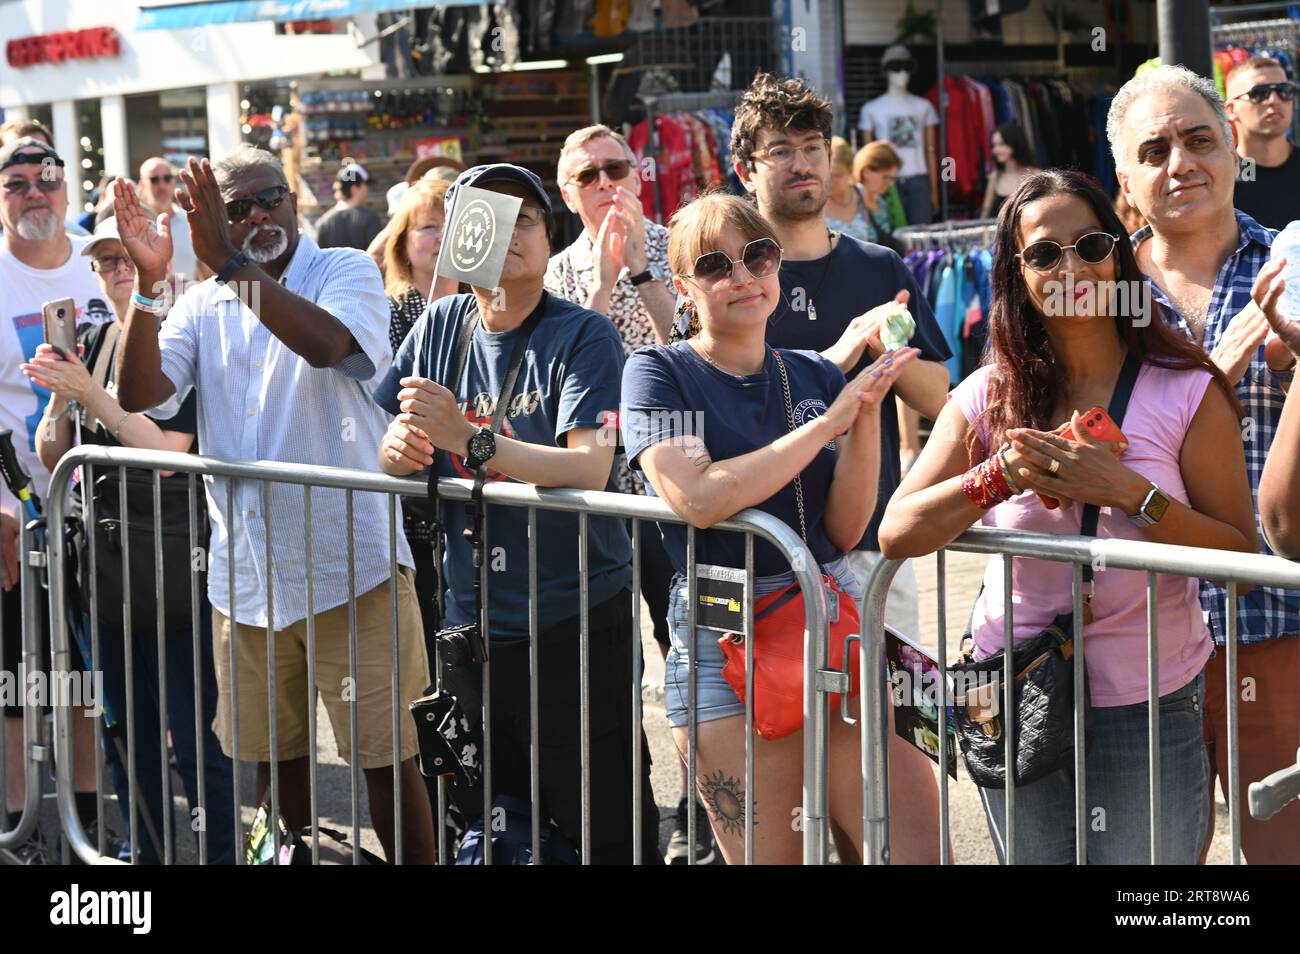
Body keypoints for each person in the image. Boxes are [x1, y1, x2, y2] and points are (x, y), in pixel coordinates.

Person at [880, 168, 1258, 863]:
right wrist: (998, 476)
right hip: (1012, 686)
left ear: (1117, 252)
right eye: (1044, 253)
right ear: (1016, 273)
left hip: (1148, 698)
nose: (1071, 267)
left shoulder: (1187, 391)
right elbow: (897, 532)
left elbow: (1241, 558)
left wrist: (1129, 493)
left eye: (1088, 245)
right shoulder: (989, 396)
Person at [112, 144, 435, 864]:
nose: (259, 215)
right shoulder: (199, 304)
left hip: (356, 572)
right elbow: (142, 395)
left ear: (294, 200)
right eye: (238, 208)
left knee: (386, 764)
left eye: (270, 198)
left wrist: (228, 264)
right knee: (273, 770)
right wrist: (147, 284)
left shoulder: (345, 270)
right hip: (247, 584)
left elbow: (329, 346)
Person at [622, 190, 919, 863]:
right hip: (721, 633)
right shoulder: (657, 373)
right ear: (682, 287)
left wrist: (866, 414)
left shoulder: (811, 370)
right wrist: (828, 425)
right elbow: (695, 500)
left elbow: (842, 530)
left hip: (827, 619)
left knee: (899, 846)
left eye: (757, 256)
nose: (742, 276)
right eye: (715, 265)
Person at [374, 162, 659, 864]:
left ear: (549, 233)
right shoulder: (440, 323)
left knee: (602, 818)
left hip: (575, 617)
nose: (510, 232)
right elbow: (391, 445)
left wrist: (467, 440)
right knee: (486, 822)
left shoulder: (583, 334)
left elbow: (589, 465)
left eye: (526, 217)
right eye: (490, 218)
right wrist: (398, 450)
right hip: (469, 628)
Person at [728, 72, 949, 862]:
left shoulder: (876, 262)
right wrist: (838, 355)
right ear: (746, 168)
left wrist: (886, 343)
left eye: (813, 148)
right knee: (800, 774)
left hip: (875, 550)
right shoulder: (738, 275)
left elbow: (937, 391)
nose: (801, 165)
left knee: (895, 751)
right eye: (779, 150)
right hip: (774, 563)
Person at [1108, 63, 1300, 863]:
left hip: (1277, 624)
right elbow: (1043, 445)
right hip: (1134, 646)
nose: (1179, 162)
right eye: (1154, 150)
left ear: (1231, 144)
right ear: (1124, 176)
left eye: (1197, 139)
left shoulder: (1292, 270)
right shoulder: (1092, 286)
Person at [22, 215, 236, 864]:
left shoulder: (182, 338)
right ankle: (147, 854)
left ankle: (217, 854)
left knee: (198, 742)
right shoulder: (92, 338)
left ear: (157, 265)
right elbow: (49, 451)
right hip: (110, 571)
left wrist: (91, 392)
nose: (117, 269)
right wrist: (63, 396)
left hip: (176, 566)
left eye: (127, 258)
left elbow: (171, 453)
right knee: (128, 737)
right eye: (105, 261)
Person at [544, 123, 698, 861]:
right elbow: (563, 374)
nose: (608, 185)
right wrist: (604, 283)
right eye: (588, 176)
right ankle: (631, 818)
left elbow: (701, 353)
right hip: (601, 490)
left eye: (618, 169)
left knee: (693, 652)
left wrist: (642, 272)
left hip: (680, 482)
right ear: (567, 193)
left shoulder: (682, 245)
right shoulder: (554, 273)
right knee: (614, 664)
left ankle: (702, 813)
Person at [0, 135, 112, 863]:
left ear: (68, 189)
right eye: (17, 183)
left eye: (48, 178)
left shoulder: (99, 266)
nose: (35, 192)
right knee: (12, 677)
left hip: (98, 508)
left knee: (83, 678)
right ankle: (19, 821)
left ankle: (88, 821)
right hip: (14, 508)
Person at [383, 177, 460, 646]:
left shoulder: (489, 309)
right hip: (413, 508)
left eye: (451, 226)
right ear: (403, 245)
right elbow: (395, 397)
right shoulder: (390, 310)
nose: (442, 237)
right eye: (429, 226)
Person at [858, 45, 940, 226]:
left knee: (921, 236)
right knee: (891, 237)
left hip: (919, 179)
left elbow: (931, 149)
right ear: (886, 71)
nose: (902, 72)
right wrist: (867, 190)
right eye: (895, 67)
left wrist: (934, 190)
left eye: (907, 67)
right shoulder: (871, 109)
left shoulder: (924, 107)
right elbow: (866, 156)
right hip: (886, 181)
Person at [1225, 57, 1300, 231]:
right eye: (1259, 93)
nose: (1274, 100)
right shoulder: (1221, 178)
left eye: (1284, 91)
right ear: (1231, 110)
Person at [137, 157, 196, 283]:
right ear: (142, 185)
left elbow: (204, 269)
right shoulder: (136, 227)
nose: (161, 185)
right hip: (149, 301)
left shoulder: (191, 222)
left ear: (174, 182)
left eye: (167, 178)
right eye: (154, 180)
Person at [315, 161, 383, 251]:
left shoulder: (323, 223)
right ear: (355, 188)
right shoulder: (370, 219)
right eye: (365, 185)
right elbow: (377, 255)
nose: (367, 190)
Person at [979, 123, 1039, 220]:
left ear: (1015, 144)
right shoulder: (994, 178)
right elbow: (984, 215)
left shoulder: (1036, 175)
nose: (995, 150)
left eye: (1001, 144)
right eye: (994, 145)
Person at [852, 140, 903, 249]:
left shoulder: (882, 203)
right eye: (885, 177)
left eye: (892, 178)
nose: (890, 183)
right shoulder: (849, 203)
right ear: (866, 172)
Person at [824, 137, 873, 243]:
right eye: (826, 175)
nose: (830, 181)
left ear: (850, 171)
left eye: (837, 175)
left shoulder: (861, 192)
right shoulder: (817, 201)